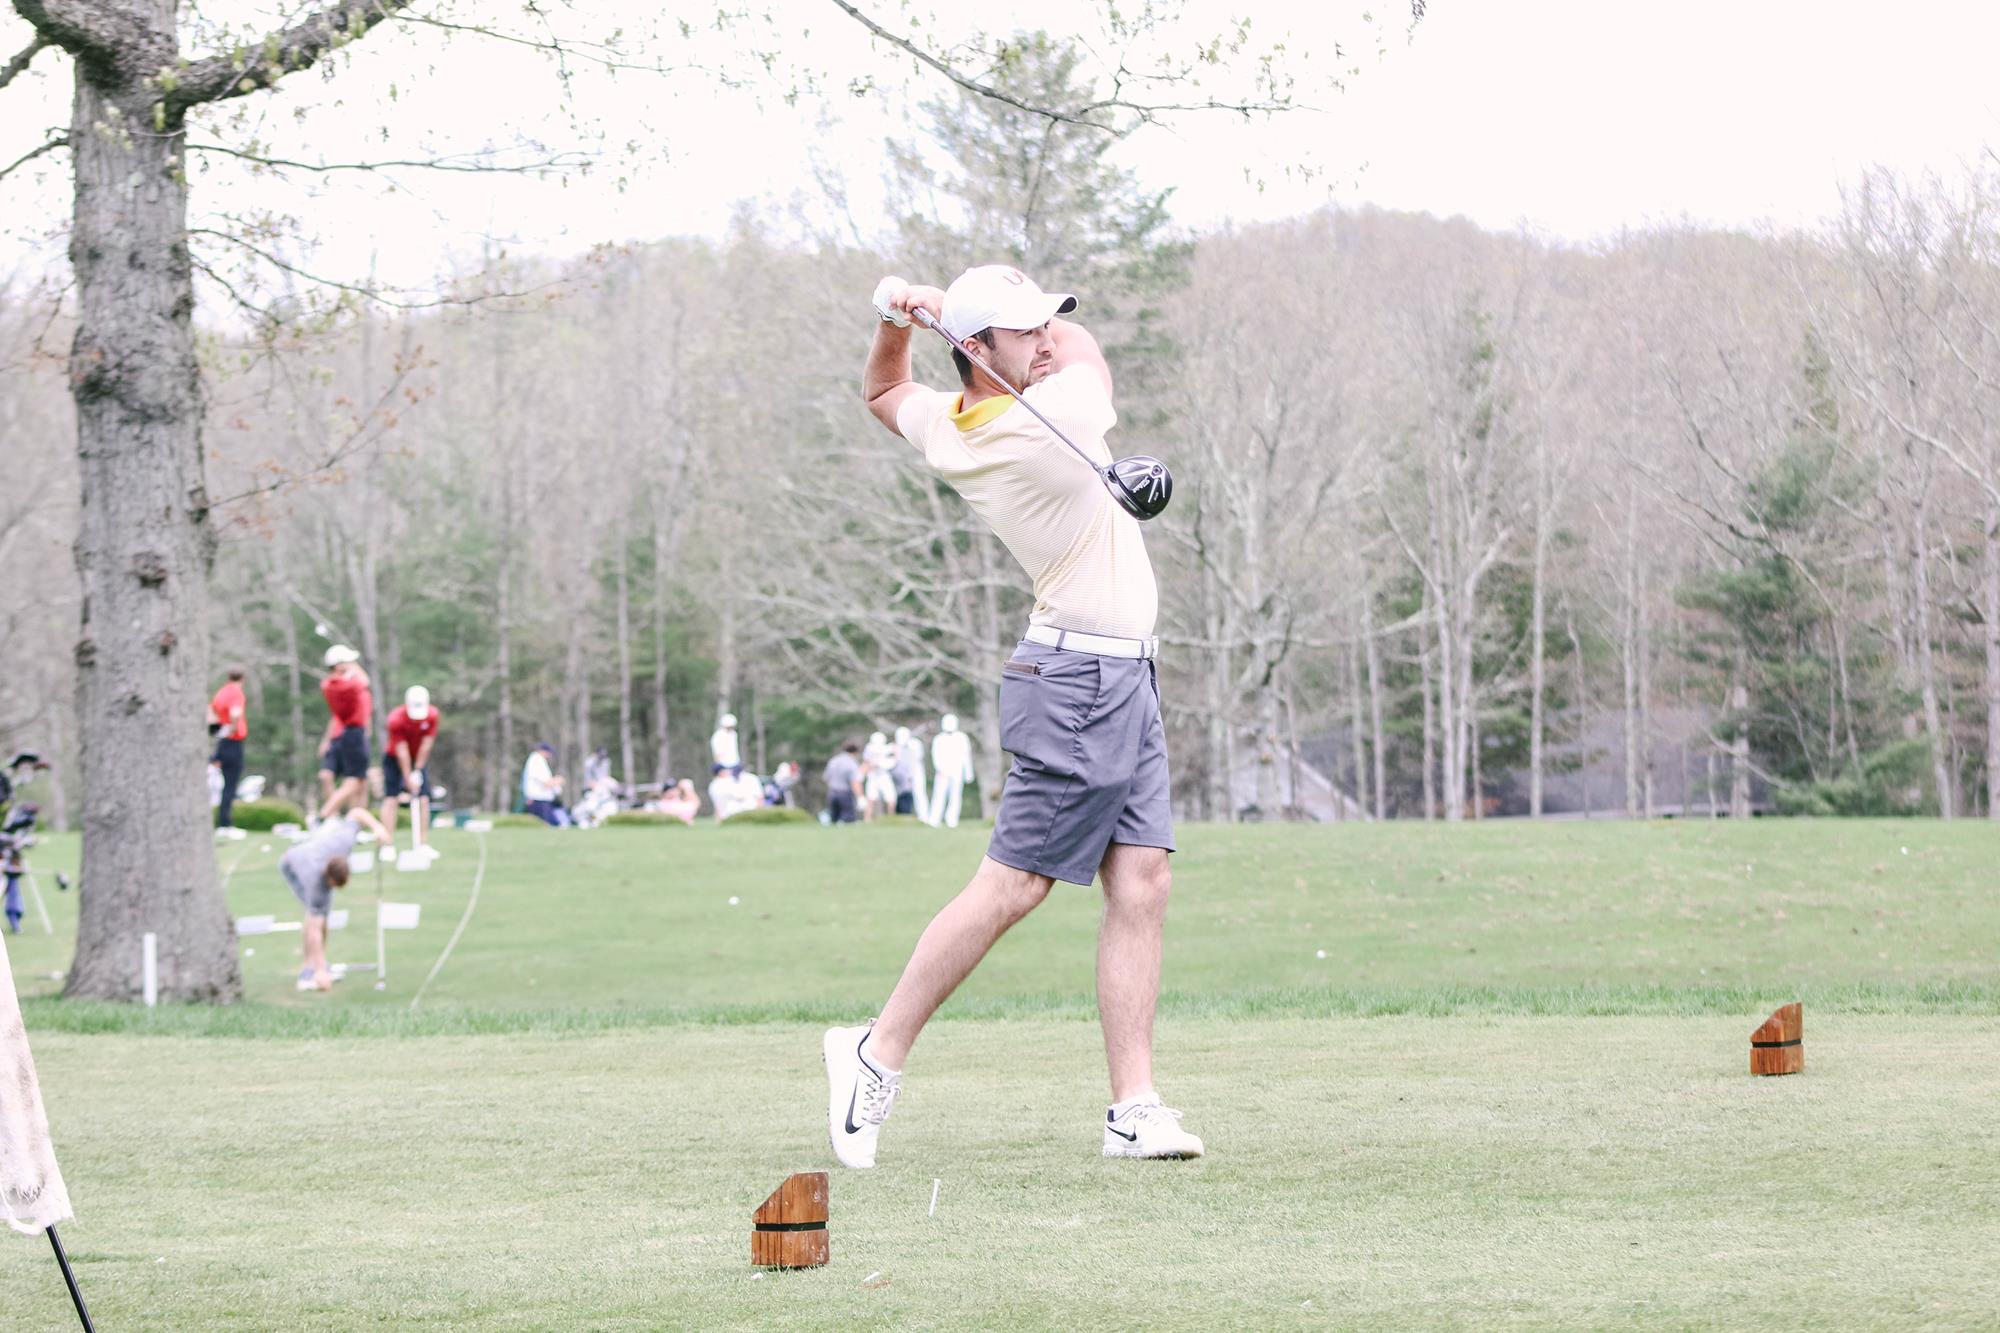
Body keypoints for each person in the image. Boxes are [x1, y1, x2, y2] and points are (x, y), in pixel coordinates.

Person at [823, 266, 1196, 1169]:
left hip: (1122, 678)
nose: (1045, 340)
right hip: (1074, 684)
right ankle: (875, 1051)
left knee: (1142, 882)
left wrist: (893, 314)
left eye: (1043, 327)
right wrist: (944, 312)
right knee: (1014, 886)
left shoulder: (956, 427)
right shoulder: (1057, 418)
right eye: (1023, 332)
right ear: (977, 350)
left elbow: (882, 389)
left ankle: (1133, 1109)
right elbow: (1088, 352)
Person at [279, 805, 388, 992]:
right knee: (314, 916)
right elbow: (315, 929)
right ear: (329, 880)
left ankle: (318, 965)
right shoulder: (316, 883)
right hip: (290, 864)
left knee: (323, 916)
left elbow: (356, 812)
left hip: (309, 855)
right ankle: (309, 971)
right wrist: (321, 972)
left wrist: (378, 828)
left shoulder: (344, 842)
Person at [380, 685, 441, 861]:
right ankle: (387, 845)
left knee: (423, 799)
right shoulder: (395, 719)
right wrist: (408, 776)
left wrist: (418, 770)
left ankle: (422, 844)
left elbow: (426, 744)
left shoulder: (432, 715)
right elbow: (401, 750)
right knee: (391, 799)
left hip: (418, 759)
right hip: (393, 758)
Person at [316, 645, 372, 820]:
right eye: (347, 661)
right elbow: (365, 680)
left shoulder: (329, 684)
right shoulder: (343, 684)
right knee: (355, 780)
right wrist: (353, 665)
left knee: (361, 780)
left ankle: (354, 823)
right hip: (353, 734)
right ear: (338, 665)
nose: (352, 664)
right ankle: (324, 815)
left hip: (353, 733)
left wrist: (347, 664)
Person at [208, 667, 249, 830]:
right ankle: (225, 823)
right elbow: (235, 713)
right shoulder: (236, 693)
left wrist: (217, 730)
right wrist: (231, 728)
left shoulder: (221, 692)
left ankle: (223, 821)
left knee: (224, 784)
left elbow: (210, 711)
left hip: (222, 743)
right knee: (231, 784)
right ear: (242, 679)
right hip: (233, 742)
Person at [927, 713, 973, 830]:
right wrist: (939, 769)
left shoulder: (962, 737)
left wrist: (968, 772)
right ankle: (934, 819)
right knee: (939, 795)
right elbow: (935, 756)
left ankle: (952, 819)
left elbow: (966, 756)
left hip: (957, 770)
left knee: (955, 796)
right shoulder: (939, 739)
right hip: (943, 771)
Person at [521, 742, 569, 826]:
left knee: (555, 822)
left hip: (543, 800)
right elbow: (546, 783)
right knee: (552, 824)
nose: (549, 755)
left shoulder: (538, 760)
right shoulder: (536, 760)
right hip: (539, 801)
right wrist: (558, 780)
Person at [823, 740, 863, 825]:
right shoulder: (852, 763)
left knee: (834, 821)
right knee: (849, 821)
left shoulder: (833, 760)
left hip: (832, 792)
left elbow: (826, 778)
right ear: (855, 752)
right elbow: (854, 782)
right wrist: (860, 797)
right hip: (845, 794)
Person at [861, 730, 898, 821]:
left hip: (883, 776)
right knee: (870, 799)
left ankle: (891, 818)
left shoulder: (884, 749)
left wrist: (893, 749)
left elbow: (892, 759)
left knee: (891, 798)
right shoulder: (870, 748)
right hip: (873, 777)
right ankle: (867, 819)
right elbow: (869, 761)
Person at [895, 726, 928, 821]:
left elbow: (915, 760)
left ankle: (924, 817)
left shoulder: (915, 744)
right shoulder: (898, 747)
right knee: (904, 795)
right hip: (904, 774)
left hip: (916, 773)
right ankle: (904, 816)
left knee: (919, 794)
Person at [710, 712, 742, 777]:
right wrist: (721, 769)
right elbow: (717, 754)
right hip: (723, 765)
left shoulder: (733, 734)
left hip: (735, 764)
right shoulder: (718, 735)